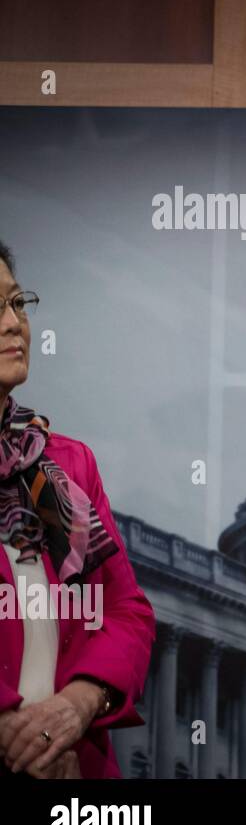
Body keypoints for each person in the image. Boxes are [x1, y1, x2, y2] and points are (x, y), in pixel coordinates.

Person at [0, 240, 155, 778]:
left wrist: (76, 707)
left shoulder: (60, 465)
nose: (13, 323)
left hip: (75, 771)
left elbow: (124, 612)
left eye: (18, 303)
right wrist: (21, 737)